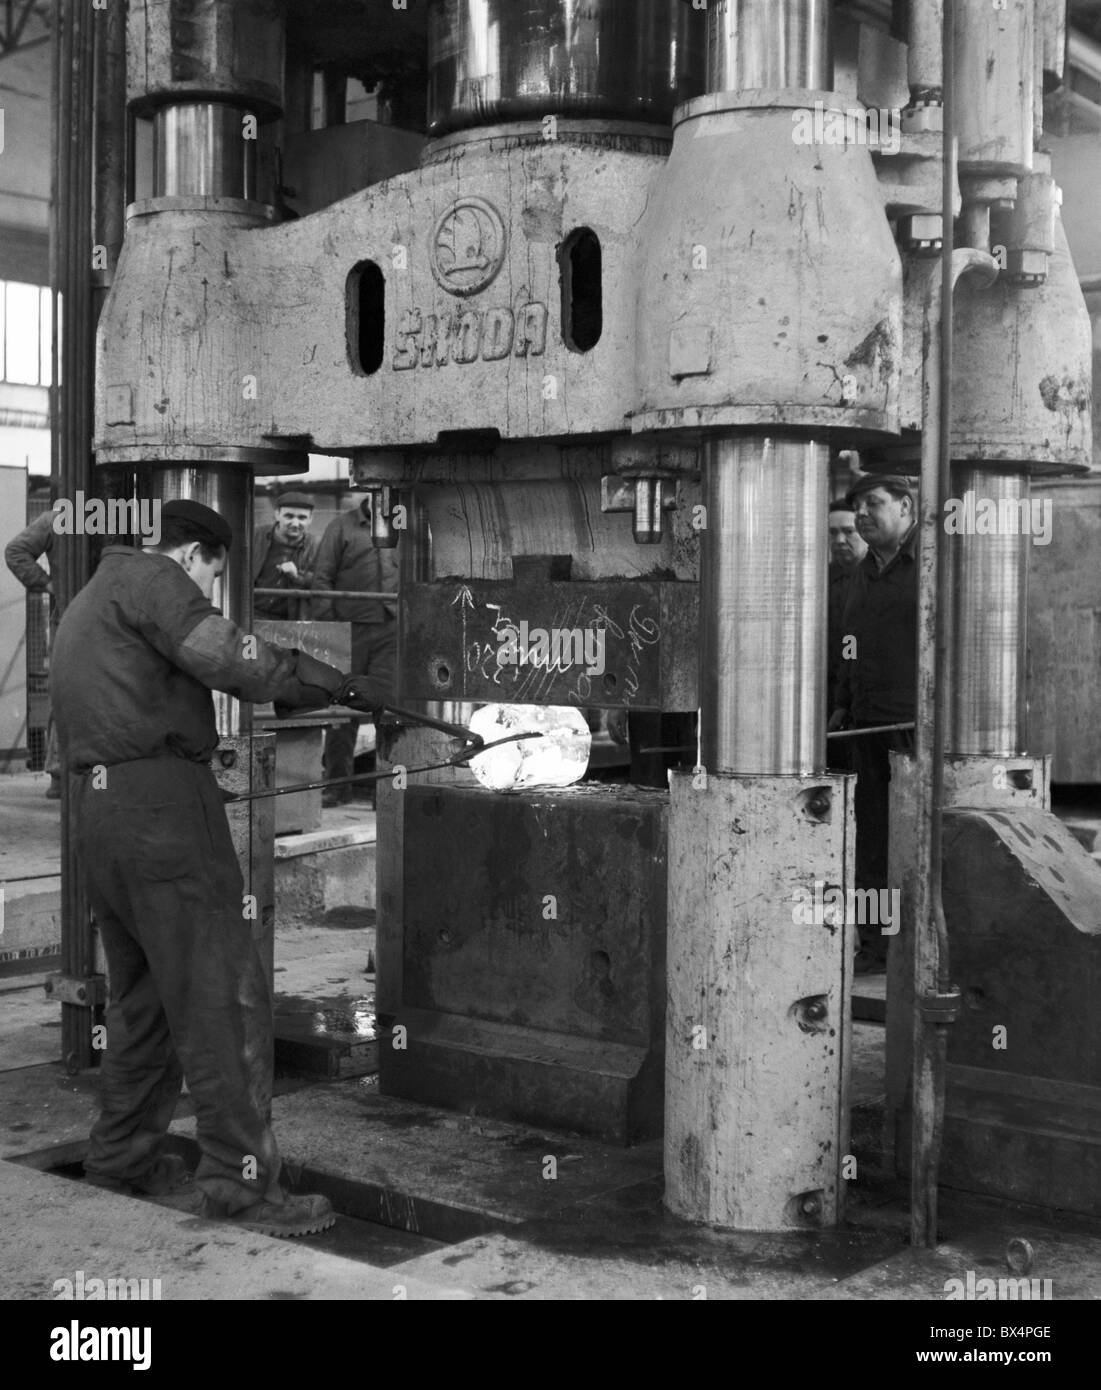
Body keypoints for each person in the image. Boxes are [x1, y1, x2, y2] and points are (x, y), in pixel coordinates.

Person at [49, 499, 375, 1237]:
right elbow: (226, 656)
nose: (212, 588)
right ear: (193, 554)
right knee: (222, 996)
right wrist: (316, 680)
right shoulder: (157, 581)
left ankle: (122, 1160)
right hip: (161, 808)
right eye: (215, 574)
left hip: (100, 814)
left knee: (146, 1002)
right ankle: (242, 1186)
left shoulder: (92, 594)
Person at [828, 475, 918, 973]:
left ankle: (913, 944)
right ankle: (875, 944)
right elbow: (849, 644)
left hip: (915, 728)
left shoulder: (928, 566)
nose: (863, 513)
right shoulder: (861, 575)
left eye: (874, 504)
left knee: (911, 838)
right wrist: (843, 700)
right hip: (867, 727)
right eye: (859, 505)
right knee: (870, 841)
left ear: (905, 507)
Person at [312, 495, 400, 806]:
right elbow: (322, 577)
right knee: (342, 706)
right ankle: (338, 786)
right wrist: (329, 628)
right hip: (349, 629)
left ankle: (384, 790)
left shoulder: (402, 523)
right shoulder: (341, 526)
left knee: (388, 707)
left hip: (391, 628)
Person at [5, 499, 60, 797]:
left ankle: (61, 774)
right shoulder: (58, 519)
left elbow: (15, 551)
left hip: (69, 618)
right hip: (76, 617)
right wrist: (49, 584)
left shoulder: (57, 519)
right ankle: (63, 774)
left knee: (65, 692)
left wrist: (48, 583)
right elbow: (15, 552)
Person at [826, 500, 869, 770]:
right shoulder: (820, 579)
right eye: (832, 533)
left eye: (848, 531)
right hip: (826, 695)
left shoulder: (876, 579)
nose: (840, 540)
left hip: (861, 702)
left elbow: (851, 646)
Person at [252, 491, 319, 620]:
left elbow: (322, 583)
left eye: (302, 518)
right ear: (277, 514)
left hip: (289, 622)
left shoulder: (317, 547)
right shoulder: (254, 536)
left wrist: (297, 576)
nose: (295, 523)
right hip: (250, 616)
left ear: (310, 519)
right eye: (289, 516)